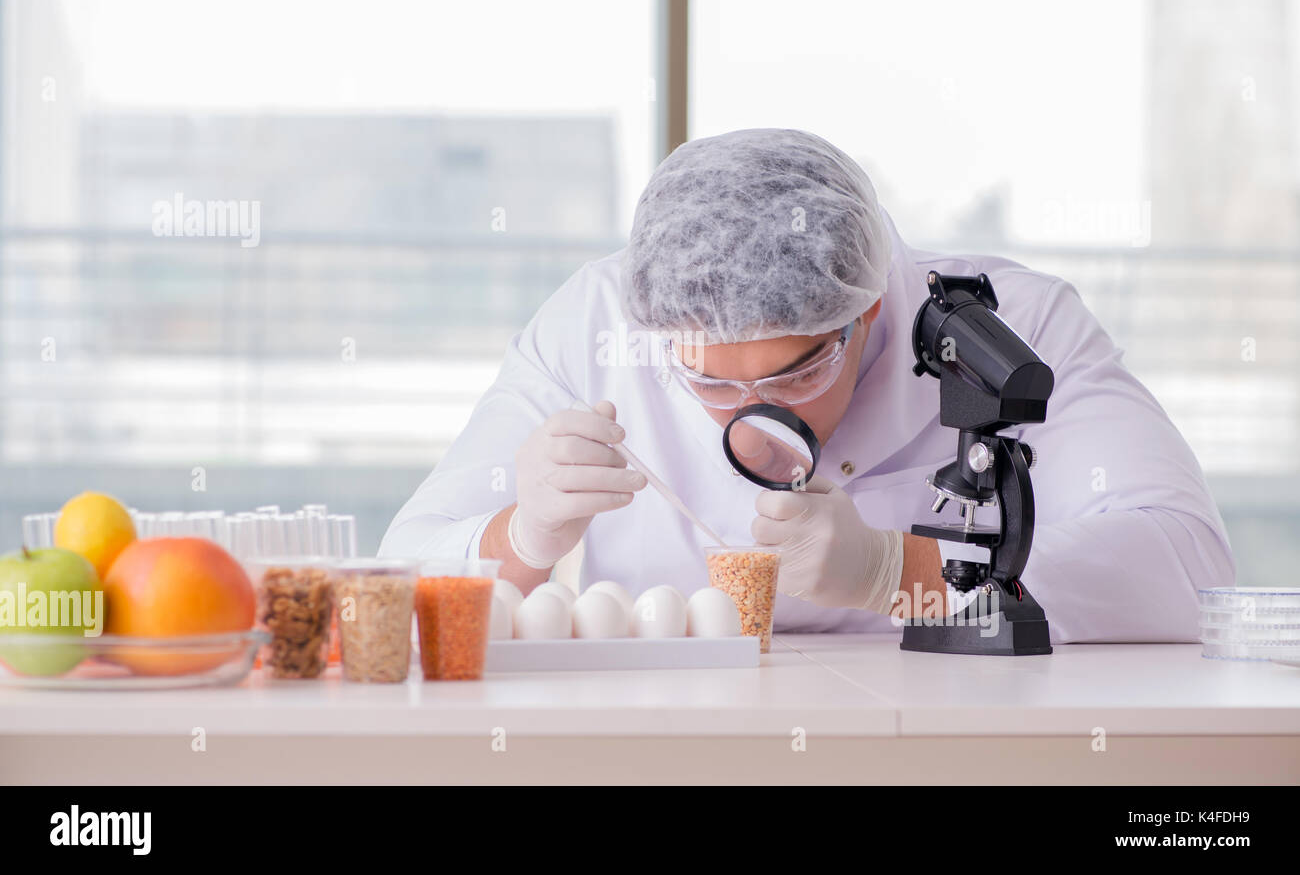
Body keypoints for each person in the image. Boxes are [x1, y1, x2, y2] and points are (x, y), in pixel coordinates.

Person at [379, 128, 1234, 642]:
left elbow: (1191, 564)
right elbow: (396, 572)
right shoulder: (599, 326)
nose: (756, 417)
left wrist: (905, 573)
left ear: (869, 313)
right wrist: (523, 536)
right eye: (708, 382)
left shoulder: (1012, 326)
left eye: (798, 370)